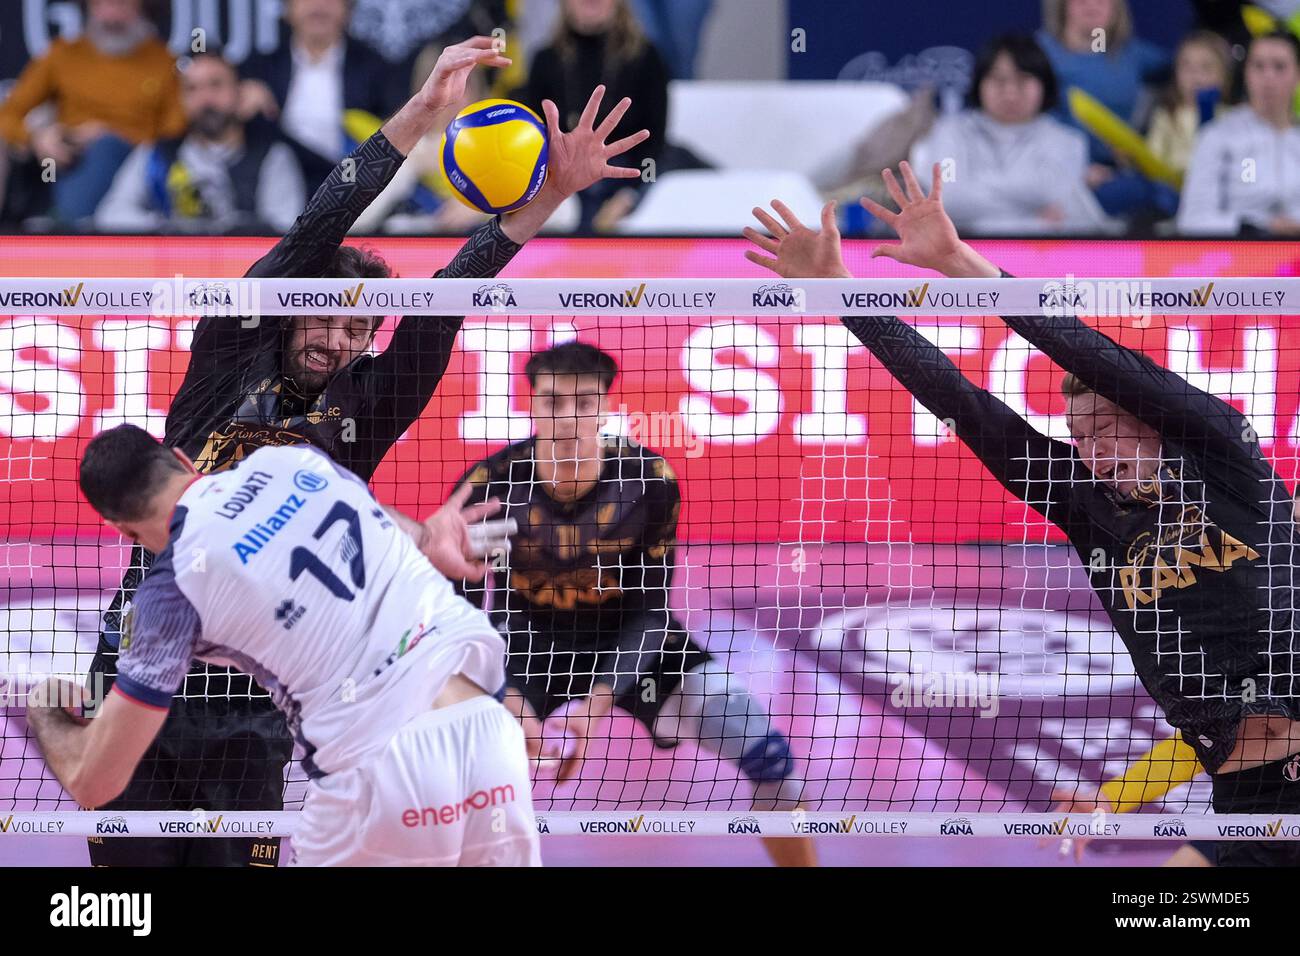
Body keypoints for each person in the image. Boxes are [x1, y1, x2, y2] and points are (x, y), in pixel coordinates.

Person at [83, 36, 649, 868]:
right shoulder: (228, 354)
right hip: (149, 662)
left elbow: (454, 294)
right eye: (324, 316)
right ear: (293, 309)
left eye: (359, 328)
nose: (339, 339)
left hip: (263, 697)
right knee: (122, 898)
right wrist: (420, 117)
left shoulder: (372, 402)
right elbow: (322, 221)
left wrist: (547, 199)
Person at [744, 160, 1300, 866]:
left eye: (1105, 428)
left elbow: (1080, 345)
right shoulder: (1093, 515)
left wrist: (958, 263)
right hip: (1244, 804)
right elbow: (964, 406)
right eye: (1080, 437)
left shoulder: (1229, 463)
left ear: (1150, 417)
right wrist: (844, 296)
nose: (1092, 451)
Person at [30, 428, 538, 866]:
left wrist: (45, 710)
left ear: (123, 530)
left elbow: (95, 782)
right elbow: (378, 516)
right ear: (185, 462)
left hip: (377, 768)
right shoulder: (289, 461)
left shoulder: (171, 588)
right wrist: (427, 537)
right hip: (488, 733)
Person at [453, 342, 818, 867]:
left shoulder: (648, 481)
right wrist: (507, 694)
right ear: (531, 406)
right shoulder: (494, 484)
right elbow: (464, 611)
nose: (568, 417)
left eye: (584, 403)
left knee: (769, 755)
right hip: (527, 647)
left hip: (635, 645)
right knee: (454, 770)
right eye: (553, 402)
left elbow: (651, 612)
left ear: (604, 408)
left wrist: (598, 700)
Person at [0, 0, 186, 222]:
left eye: (122, 5)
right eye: (101, 5)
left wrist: (108, 133)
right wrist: (36, 137)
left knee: (106, 146)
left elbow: (174, 134)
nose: (111, 17)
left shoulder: (165, 62)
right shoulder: (63, 54)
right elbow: (7, 115)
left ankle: (68, 229)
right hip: (70, 157)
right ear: (86, 8)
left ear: (142, 7)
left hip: (136, 164)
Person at [909, 34, 1109, 235]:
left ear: (1044, 84)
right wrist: (1033, 221)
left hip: (1043, 260)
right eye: (999, 80)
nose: (1011, 93)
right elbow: (950, 197)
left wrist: (976, 184)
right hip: (961, 256)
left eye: (1023, 81)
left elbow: (1053, 194)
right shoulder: (949, 133)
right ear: (979, 83)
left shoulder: (1067, 142)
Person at [95, 50, 306, 233]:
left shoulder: (272, 156)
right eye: (192, 89)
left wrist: (231, 229)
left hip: (245, 275)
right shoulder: (155, 153)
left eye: (216, 85)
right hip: (169, 275)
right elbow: (110, 216)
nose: (205, 99)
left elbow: (287, 228)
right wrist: (170, 229)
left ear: (239, 92)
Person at [512, 0, 668, 231]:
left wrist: (629, 197)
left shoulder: (646, 57)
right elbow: (536, 139)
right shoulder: (545, 60)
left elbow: (654, 143)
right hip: (565, 177)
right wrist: (556, 191)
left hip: (629, 174)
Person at [239, 0, 407, 192]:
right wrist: (240, 97)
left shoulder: (376, 69)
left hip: (352, 187)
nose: (318, 7)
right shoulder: (260, 69)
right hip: (280, 188)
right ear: (287, 9)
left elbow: (397, 127)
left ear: (348, 10)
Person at [1036, 0, 1171, 216]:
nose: (1092, 5)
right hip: (1058, 176)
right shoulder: (1038, 53)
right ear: (1062, 5)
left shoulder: (1132, 54)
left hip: (1123, 178)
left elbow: (1190, 72)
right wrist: (1076, 171)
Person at [1177, 31, 1300, 236]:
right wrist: (1257, 226)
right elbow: (1192, 219)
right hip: (1241, 256)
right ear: (1246, 73)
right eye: (1258, 66)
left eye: (1279, 66)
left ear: (1297, 74)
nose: (1268, 77)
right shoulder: (1217, 135)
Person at [1144, 30, 1232, 179]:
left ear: (1224, 77)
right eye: (1186, 67)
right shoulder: (1166, 115)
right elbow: (1152, 161)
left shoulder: (1232, 118)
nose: (1195, 77)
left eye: (1206, 68)